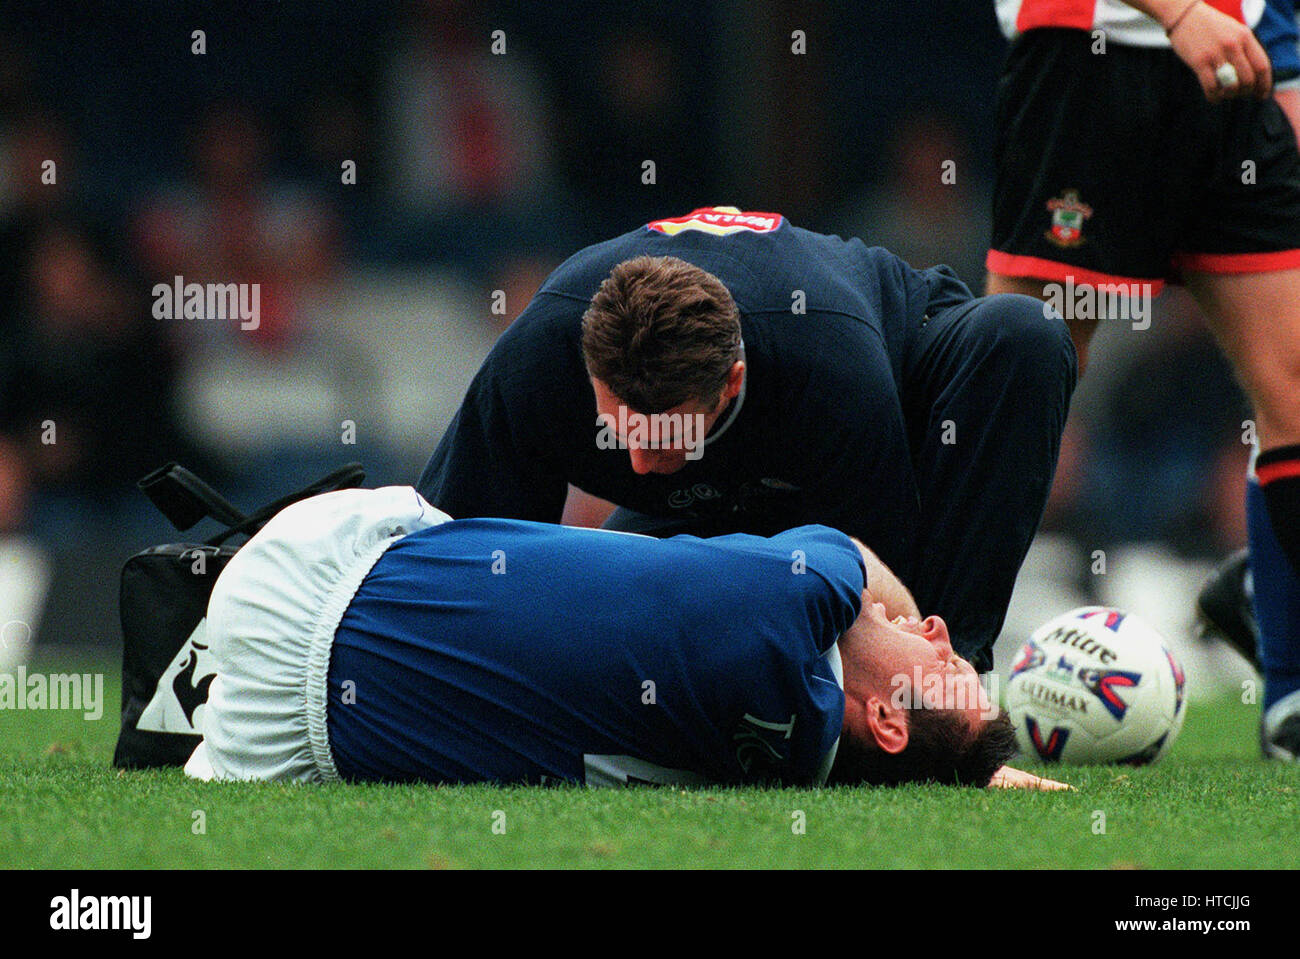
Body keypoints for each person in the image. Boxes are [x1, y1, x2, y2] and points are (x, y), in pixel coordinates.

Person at [416, 206, 1078, 676]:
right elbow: (457, 558)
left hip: (881, 423)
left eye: (666, 436)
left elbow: (869, 592)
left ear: (729, 384)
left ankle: (951, 685)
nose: (641, 462)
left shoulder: (833, 370)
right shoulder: (537, 358)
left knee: (1022, 334)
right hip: (704, 502)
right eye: (621, 431)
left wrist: (913, 681)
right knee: (601, 647)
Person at [182, 485, 1056, 789]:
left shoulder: (787, 606)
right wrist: (967, 758)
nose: (938, 630)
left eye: (944, 663)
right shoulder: (792, 751)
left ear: (890, 724)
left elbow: (844, 555)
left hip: (309, 569)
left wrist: (890, 618)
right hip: (298, 747)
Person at [985, 0, 1300, 756]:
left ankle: (1287, 686)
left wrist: (1280, 51)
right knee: (1018, 382)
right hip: (1090, 57)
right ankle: (931, 675)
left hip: (1239, 59)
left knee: (1294, 385)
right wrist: (1180, 10)